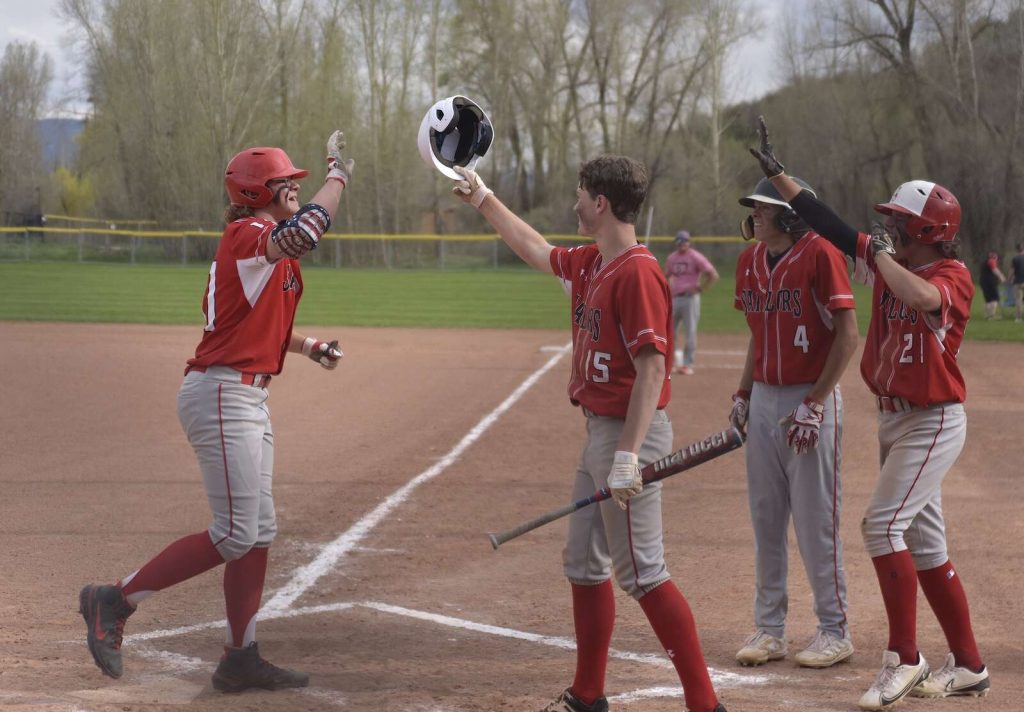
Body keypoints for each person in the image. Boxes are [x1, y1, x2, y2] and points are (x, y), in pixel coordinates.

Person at [78, 132, 354, 692]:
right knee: (233, 533)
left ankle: (240, 658)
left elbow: (258, 325)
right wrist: (338, 176)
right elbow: (304, 234)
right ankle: (113, 600)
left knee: (258, 532)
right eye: (287, 182)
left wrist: (308, 347)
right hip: (222, 394)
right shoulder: (249, 233)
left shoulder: (260, 240)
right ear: (261, 191)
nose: (296, 188)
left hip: (245, 393)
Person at [451, 158, 725, 712]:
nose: (573, 203)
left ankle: (705, 705)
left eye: (580, 193)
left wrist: (627, 455)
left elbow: (652, 368)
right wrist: (483, 198)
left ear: (600, 203)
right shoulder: (592, 262)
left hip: (629, 435)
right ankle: (588, 694)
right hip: (600, 433)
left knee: (644, 573)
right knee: (582, 561)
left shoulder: (638, 271)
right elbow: (533, 247)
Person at [750, 116, 990, 710]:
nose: (886, 230)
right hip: (895, 419)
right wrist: (781, 179)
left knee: (881, 527)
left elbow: (921, 297)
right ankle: (970, 667)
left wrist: (881, 258)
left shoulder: (952, 275)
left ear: (927, 232)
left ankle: (903, 659)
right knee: (927, 548)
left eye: (898, 225)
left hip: (933, 420)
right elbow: (828, 220)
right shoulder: (890, 256)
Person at [729, 176, 858, 670]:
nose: (754, 214)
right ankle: (769, 629)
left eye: (763, 207)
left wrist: (816, 402)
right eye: (754, 208)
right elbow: (757, 337)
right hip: (764, 399)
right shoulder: (749, 262)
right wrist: (744, 392)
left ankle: (834, 629)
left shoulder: (821, 254)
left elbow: (847, 336)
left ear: (789, 214)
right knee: (766, 521)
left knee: (814, 523)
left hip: (810, 401)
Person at [663, 230, 719, 375]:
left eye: (685, 241)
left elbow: (712, 274)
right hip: (675, 298)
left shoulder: (695, 256)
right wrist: (669, 290)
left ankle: (687, 364)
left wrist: (700, 288)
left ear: (689, 242)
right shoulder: (672, 258)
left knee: (690, 331)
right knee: (669, 332)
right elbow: (666, 276)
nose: (683, 243)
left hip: (690, 298)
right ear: (676, 242)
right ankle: (671, 363)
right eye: (680, 241)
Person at [978, 250, 1005, 319]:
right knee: (994, 299)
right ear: (994, 256)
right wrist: (1002, 277)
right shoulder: (991, 261)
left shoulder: (984, 262)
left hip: (983, 282)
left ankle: (987, 316)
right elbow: (994, 269)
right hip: (990, 283)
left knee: (988, 300)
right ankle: (992, 315)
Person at [1011, 243, 1024, 322]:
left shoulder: (1015, 258)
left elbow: (1012, 270)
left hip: (1018, 282)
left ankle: (1018, 317)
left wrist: (1008, 279)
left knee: (1018, 300)